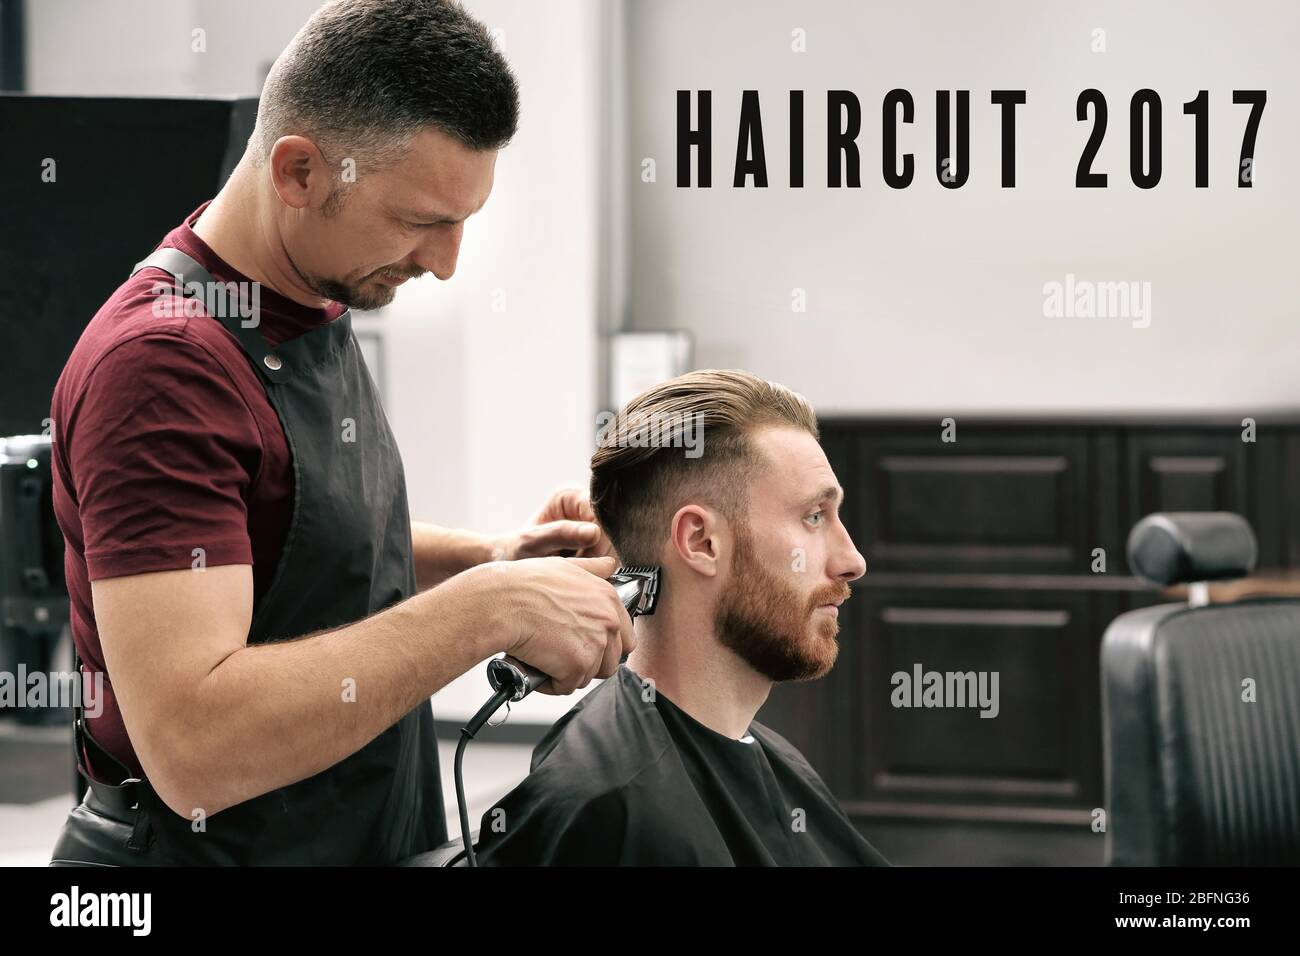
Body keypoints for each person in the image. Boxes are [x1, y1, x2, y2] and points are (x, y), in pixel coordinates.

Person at [48, 0, 633, 866]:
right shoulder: (160, 370)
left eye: (465, 221)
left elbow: (292, 534)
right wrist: (491, 610)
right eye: (421, 221)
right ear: (299, 173)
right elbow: (194, 747)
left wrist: (494, 559)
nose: (446, 262)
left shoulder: (313, 290)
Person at [473, 370, 890, 866]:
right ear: (700, 541)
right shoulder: (613, 809)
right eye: (814, 517)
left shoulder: (762, 753)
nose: (853, 560)